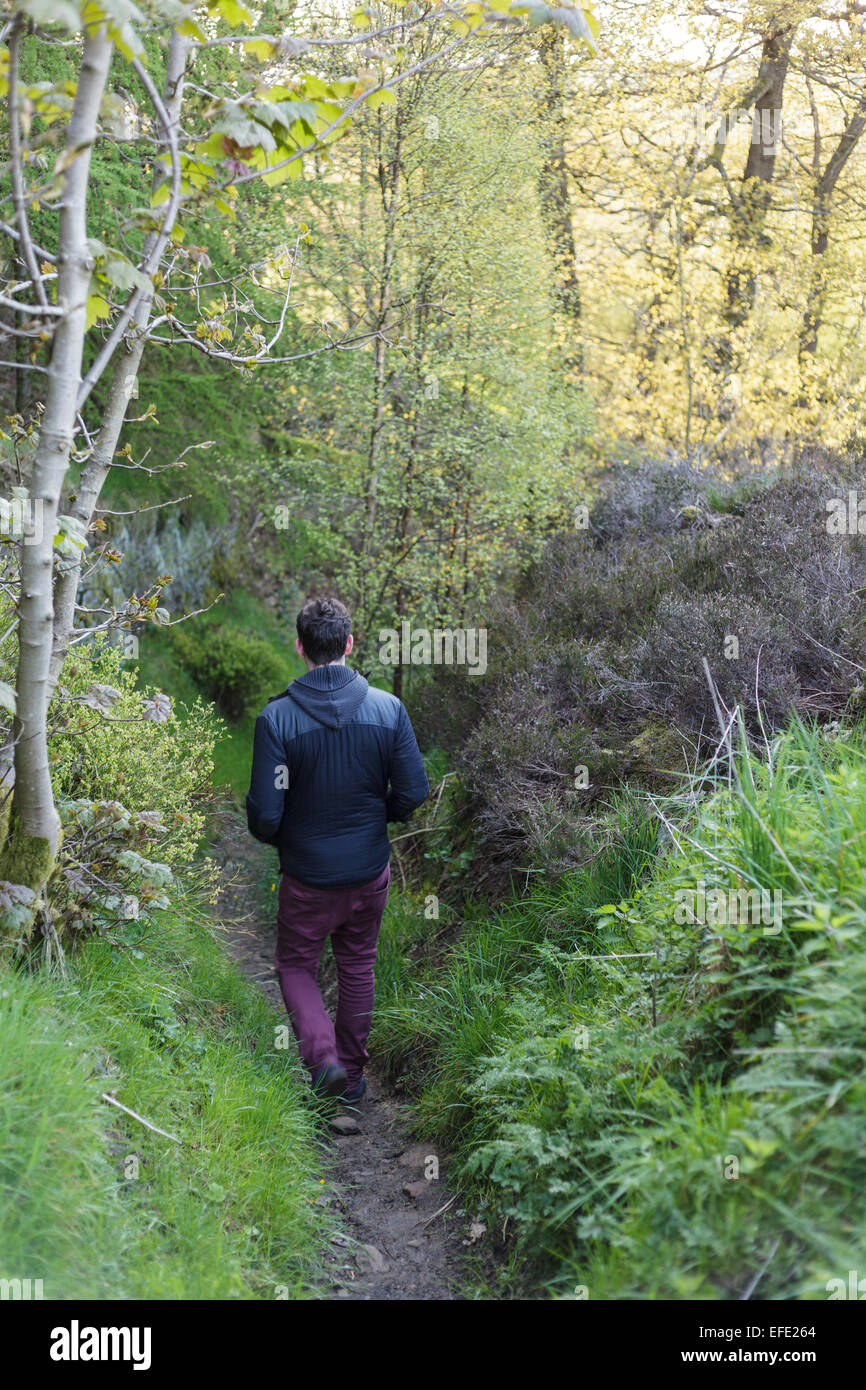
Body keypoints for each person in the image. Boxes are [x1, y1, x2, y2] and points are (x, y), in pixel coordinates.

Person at [245, 596, 429, 1101]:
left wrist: (285, 836)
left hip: (306, 876)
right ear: (349, 644)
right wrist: (376, 817)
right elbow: (413, 791)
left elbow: (264, 813)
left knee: (297, 966)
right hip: (368, 872)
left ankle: (324, 1060)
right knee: (357, 963)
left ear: (300, 647)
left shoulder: (276, 720)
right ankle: (351, 1075)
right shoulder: (389, 710)